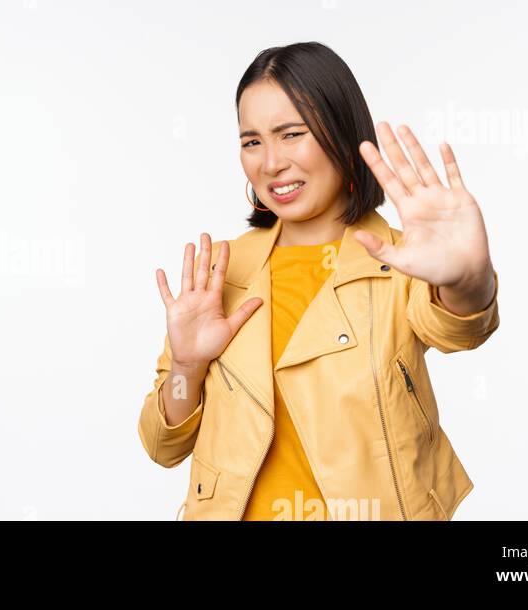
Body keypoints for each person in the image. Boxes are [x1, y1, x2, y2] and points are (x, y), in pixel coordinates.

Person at [138, 42, 500, 521]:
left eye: (291, 134)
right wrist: (186, 366)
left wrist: (469, 278)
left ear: (342, 133)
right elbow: (162, 446)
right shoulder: (221, 273)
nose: (271, 162)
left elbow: (461, 328)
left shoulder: (403, 260)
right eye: (252, 141)